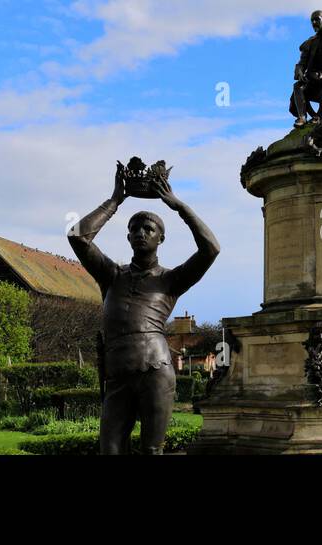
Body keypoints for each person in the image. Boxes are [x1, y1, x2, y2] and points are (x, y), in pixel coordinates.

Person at [69, 160, 220, 454]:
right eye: (135, 228)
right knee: (110, 450)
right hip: (116, 374)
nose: (141, 232)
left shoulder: (171, 280)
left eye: (149, 228)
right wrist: (114, 201)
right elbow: (78, 236)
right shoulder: (111, 275)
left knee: (152, 450)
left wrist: (178, 206)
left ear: (160, 238)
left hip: (156, 370)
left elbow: (210, 248)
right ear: (127, 237)